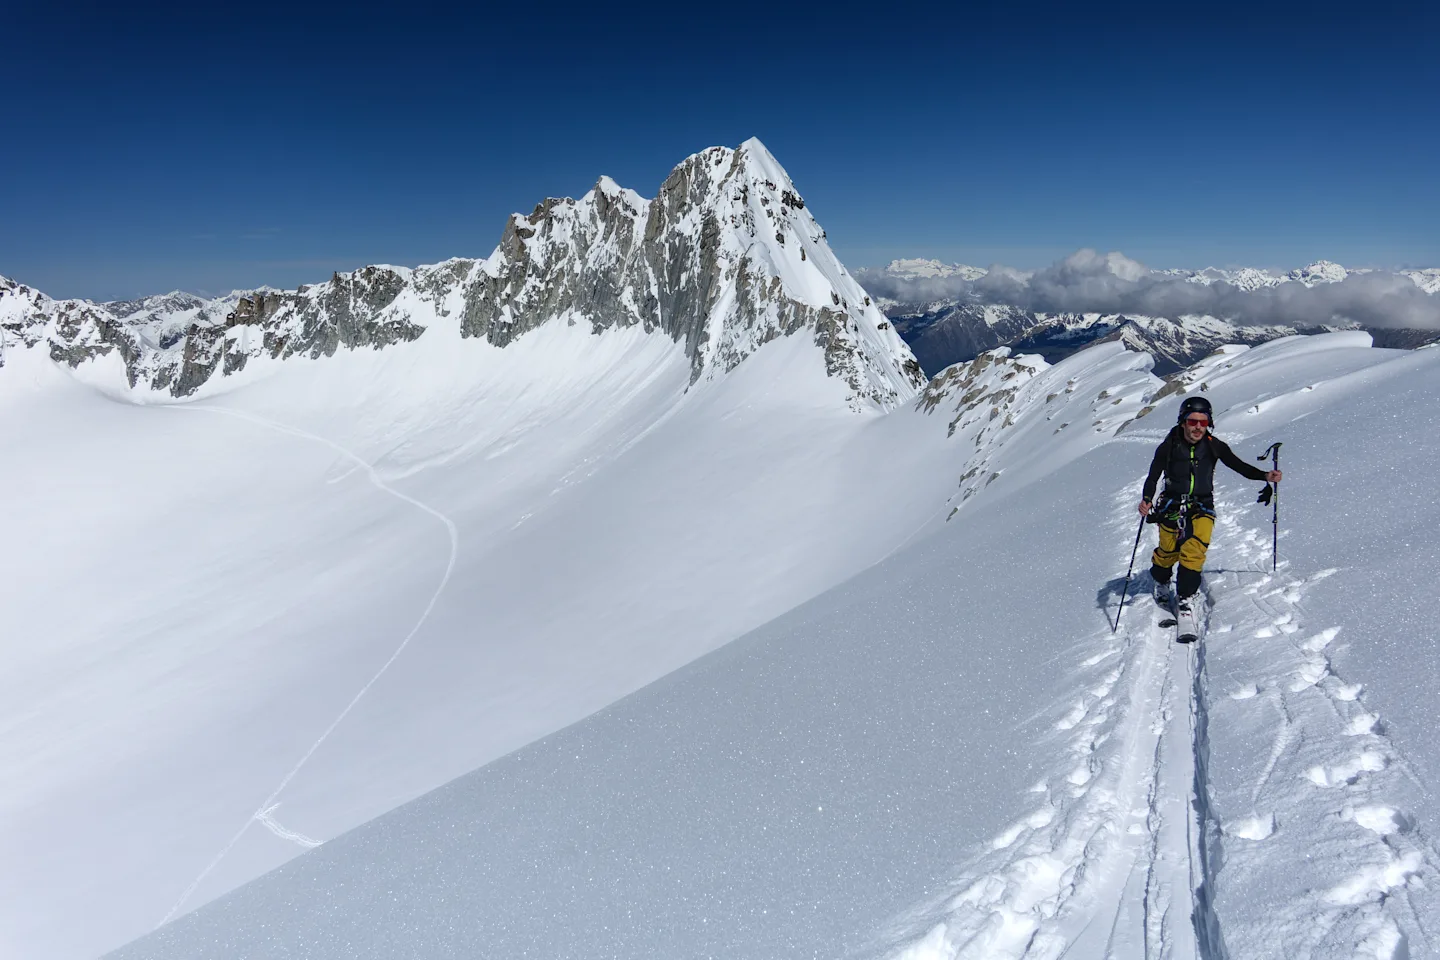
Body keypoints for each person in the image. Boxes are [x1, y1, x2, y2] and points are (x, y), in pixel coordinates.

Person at [1138, 396, 1282, 625]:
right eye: (1193, 421)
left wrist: (1264, 476)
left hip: (1202, 505)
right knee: (1168, 552)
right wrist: (1146, 499)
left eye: (1203, 423)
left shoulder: (1214, 445)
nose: (1197, 427)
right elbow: (1153, 475)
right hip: (1171, 505)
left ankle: (1186, 597)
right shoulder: (1169, 446)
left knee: (1194, 551)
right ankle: (1162, 583)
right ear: (1183, 421)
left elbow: (1238, 466)